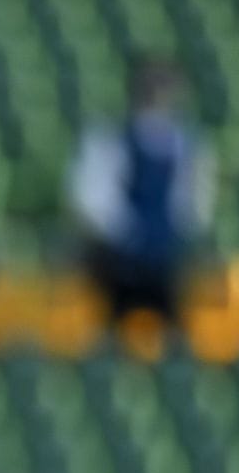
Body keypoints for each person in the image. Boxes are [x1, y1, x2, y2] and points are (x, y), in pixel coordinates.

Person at [70, 57, 214, 325]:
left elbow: (193, 204)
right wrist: (127, 233)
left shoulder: (186, 145)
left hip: (165, 260)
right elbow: (92, 201)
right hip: (118, 262)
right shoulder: (112, 138)